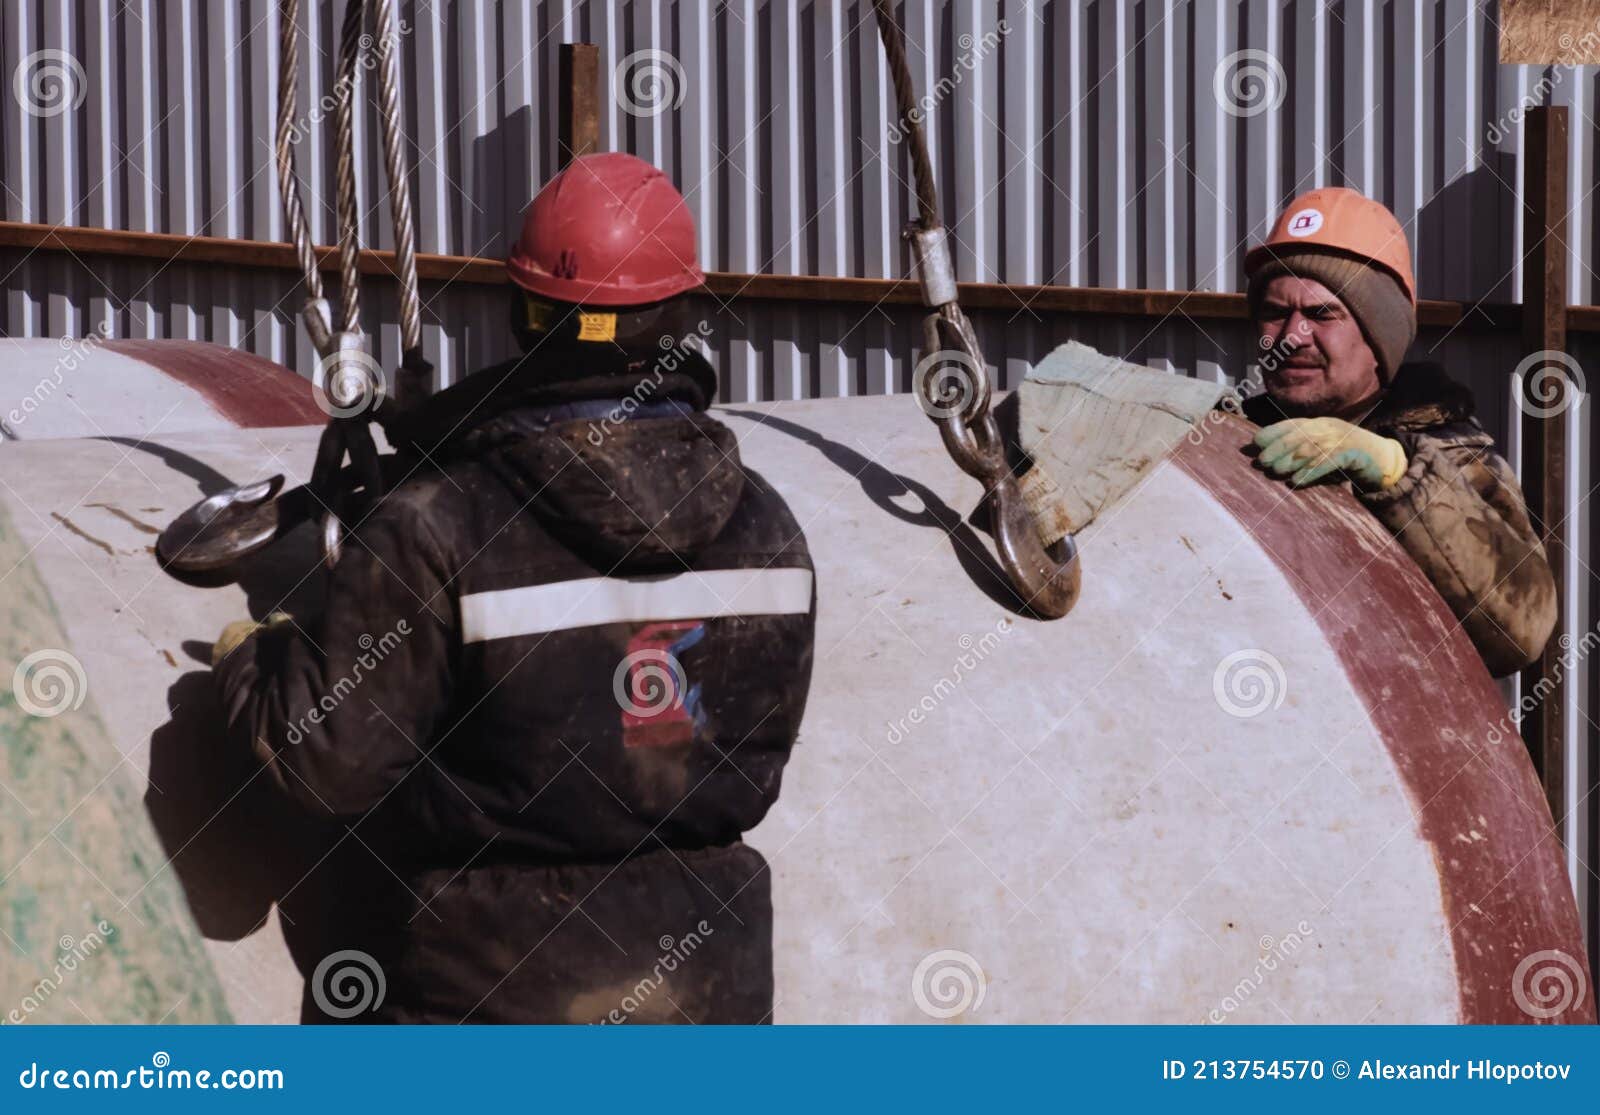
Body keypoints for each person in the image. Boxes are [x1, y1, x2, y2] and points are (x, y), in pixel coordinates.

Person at [213, 152, 817, 1023]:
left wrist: (254, 663)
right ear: (686, 313)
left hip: (488, 1000)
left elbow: (328, 762)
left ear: (525, 313)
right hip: (708, 1002)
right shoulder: (770, 530)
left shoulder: (438, 526)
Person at [1241, 186, 1556, 677]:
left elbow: (1523, 631)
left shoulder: (1455, 455)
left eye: (1323, 314)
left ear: (1379, 336)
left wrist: (1400, 477)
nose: (1292, 336)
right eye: (1276, 312)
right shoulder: (1230, 442)